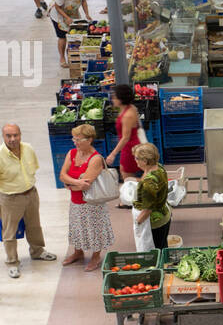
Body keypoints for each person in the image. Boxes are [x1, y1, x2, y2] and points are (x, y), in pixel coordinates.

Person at [0, 123, 57, 278]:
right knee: (9, 231)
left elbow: (33, 169)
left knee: (34, 225)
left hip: (31, 193)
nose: (12, 139)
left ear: (20, 134)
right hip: (10, 198)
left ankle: (37, 251)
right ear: (3, 136)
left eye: (15, 135)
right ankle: (12, 262)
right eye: (8, 136)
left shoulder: (28, 149)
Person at [59, 123, 114, 271]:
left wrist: (68, 184)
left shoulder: (95, 159)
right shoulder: (71, 153)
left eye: (78, 139)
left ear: (89, 140)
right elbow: (62, 175)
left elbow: (86, 185)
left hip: (91, 203)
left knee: (94, 230)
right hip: (75, 202)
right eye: (74, 139)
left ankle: (96, 256)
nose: (75, 142)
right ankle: (78, 252)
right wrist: (75, 182)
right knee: (77, 228)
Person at [131, 143, 171, 250]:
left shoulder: (149, 183)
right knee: (163, 246)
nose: (135, 160)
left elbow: (147, 209)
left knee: (156, 251)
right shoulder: (159, 167)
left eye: (137, 158)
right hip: (164, 213)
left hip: (155, 221)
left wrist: (137, 223)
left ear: (145, 161)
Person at [105, 84, 142, 180]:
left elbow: (125, 137)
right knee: (125, 173)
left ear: (121, 99)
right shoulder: (131, 108)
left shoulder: (127, 115)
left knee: (128, 178)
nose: (113, 99)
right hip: (131, 146)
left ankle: (149, 188)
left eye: (114, 97)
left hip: (130, 148)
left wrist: (113, 154)